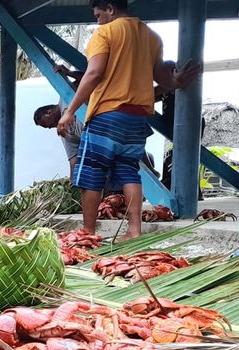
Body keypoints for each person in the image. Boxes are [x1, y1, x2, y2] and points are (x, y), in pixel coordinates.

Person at [58, 0, 200, 238]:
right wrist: (178, 82)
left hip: (107, 114)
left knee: (92, 174)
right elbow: (163, 78)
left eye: (98, 15)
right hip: (136, 119)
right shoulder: (151, 36)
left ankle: (88, 233)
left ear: (110, 9)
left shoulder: (105, 32)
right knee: (129, 172)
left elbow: (94, 73)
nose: (98, 20)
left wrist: (70, 111)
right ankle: (134, 231)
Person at [34, 103, 84, 176]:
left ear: (48, 112)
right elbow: (73, 161)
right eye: (46, 127)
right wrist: (71, 184)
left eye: (45, 123)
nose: (49, 127)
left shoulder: (64, 100)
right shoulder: (65, 134)